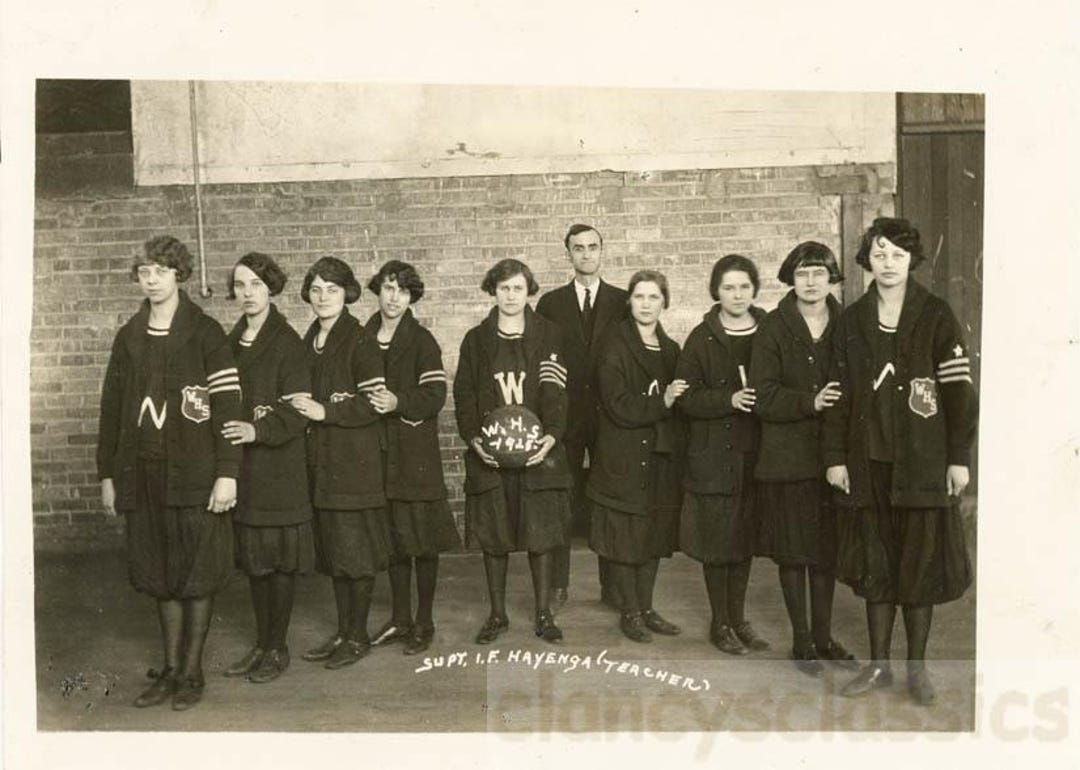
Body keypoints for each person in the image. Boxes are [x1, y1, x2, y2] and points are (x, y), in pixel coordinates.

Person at [824, 218, 976, 705]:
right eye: (880, 253)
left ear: (912, 261)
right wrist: (835, 458)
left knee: (920, 568)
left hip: (923, 466)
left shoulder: (935, 314)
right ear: (866, 258)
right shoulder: (851, 320)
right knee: (876, 568)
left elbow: (958, 394)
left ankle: (917, 670)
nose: (888, 264)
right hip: (868, 466)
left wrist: (957, 458)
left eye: (897, 255)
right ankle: (879, 666)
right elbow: (839, 396)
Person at [97, 235, 241, 710]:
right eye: (144, 272)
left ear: (180, 274)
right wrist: (108, 475)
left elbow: (227, 408)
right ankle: (171, 669)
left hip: (196, 475)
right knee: (159, 573)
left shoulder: (206, 332)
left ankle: (192, 673)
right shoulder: (129, 336)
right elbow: (112, 411)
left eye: (161, 270)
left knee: (195, 572)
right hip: (143, 476)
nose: (152, 279)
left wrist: (228, 472)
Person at [751, 242, 858, 675]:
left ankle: (824, 637)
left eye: (818, 273)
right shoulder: (773, 328)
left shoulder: (848, 323)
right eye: (802, 274)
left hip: (834, 459)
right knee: (795, 552)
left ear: (831, 277)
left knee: (826, 552)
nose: (811, 282)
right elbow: (762, 395)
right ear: (790, 280)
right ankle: (802, 643)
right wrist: (809, 401)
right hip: (787, 459)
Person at [453, 258, 571, 645]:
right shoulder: (476, 339)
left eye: (518, 288)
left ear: (528, 290)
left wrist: (550, 438)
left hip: (537, 454)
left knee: (540, 535)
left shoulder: (549, 334)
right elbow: (464, 397)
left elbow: (557, 393)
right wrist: (475, 440)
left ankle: (542, 613)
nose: (510, 295)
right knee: (495, 535)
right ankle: (497, 614)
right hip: (492, 456)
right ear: (493, 290)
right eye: (503, 288)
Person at [290, 256, 392, 670]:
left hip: (354, 464)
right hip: (322, 464)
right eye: (315, 290)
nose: (323, 297)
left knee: (356, 553)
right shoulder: (309, 337)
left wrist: (324, 413)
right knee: (336, 552)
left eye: (332, 289)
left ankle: (357, 636)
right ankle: (344, 631)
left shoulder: (360, 339)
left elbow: (374, 403)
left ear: (347, 293)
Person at [220, 252, 315, 684]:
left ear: (271, 288)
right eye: (240, 285)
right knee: (256, 563)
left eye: (256, 285)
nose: (247, 294)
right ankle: (261, 644)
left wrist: (256, 430)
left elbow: (296, 413)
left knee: (278, 564)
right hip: (246, 472)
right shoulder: (230, 340)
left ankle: (277, 647)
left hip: (279, 471)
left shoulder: (288, 342)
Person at [364, 260, 460, 656]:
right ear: (378, 290)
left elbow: (435, 396)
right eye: (388, 288)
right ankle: (400, 617)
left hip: (413, 456)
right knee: (394, 541)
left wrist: (398, 401)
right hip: (373, 453)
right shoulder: (362, 336)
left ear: (411, 296)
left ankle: (424, 620)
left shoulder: (422, 342)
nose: (394, 297)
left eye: (402, 291)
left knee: (422, 540)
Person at [675, 255, 769, 654]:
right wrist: (728, 398)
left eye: (744, 287)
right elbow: (686, 398)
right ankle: (720, 622)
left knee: (743, 539)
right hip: (713, 456)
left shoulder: (770, 330)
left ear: (754, 290)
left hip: (754, 454)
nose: (737, 294)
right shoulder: (701, 337)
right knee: (718, 541)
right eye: (728, 287)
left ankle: (739, 617)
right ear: (716, 290)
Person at [587, 270, 686, 643]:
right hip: (623, 455)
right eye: (640, 297)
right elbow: (617, 405)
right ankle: (629, 611)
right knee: (627, 537)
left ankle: (646, 608)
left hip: (659, 456)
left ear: (665, 302)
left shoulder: (672, 348)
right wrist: (661, 401)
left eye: (654, 297)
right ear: (629, 301)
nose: (646, 304)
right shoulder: (613, 345)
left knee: (653, 535)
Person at [536, 224, 628, 609]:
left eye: (593, 247)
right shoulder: (551, 303)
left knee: (609, 500)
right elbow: (542, 361)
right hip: (566, 416)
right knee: (563, 498)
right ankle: (558, 586)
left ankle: (613, 587)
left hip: (610, 416)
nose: (586, 254)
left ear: (602, 251)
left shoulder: (623, 301)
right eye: (579, 248)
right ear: (568, 254)